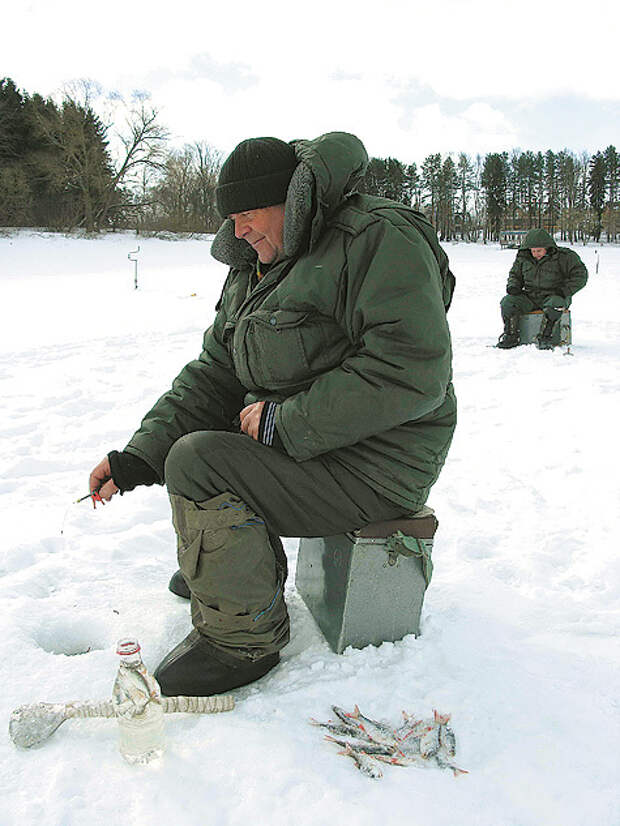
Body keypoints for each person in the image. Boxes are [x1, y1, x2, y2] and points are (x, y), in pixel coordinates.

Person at [88, 132, 457, 697]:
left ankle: (243, 643)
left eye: (248, 214)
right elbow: (214, 373)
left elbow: (412, 372)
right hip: (316, 452)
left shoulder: (376, 237)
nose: (239, 231)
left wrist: (286, 421)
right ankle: (231, 574)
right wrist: (138, 456)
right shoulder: (255, 265)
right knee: (196, 440)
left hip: (379, 465)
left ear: (293, 198)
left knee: (201, 460)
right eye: (230, 218)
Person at [496, 228, 588, 349]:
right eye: (533, 251)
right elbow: (515, 275)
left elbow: (580, 275)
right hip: (530, 297)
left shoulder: (565, 257)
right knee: (508, 302)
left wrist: (565, 291)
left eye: (539, 250)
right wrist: (513, 286)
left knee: (555, 304)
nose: (535, 254)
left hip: (554, 295)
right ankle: (511, 336)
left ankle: (546, 337)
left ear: (548, 247)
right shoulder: (523, 258)